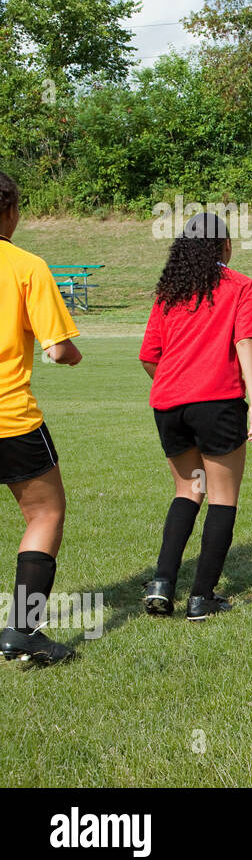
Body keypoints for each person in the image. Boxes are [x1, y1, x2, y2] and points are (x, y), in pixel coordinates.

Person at [140, 213, 252, 622]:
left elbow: (149, 358)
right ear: (226, 247)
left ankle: (162, 583)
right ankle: (202, 597)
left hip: (168, 405)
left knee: (187, 491)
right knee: (222, 497)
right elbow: (245, 340)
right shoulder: (240, 286)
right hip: (217, 403)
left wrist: (177, 386)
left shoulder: (170, 292)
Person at [0, 171, 83, 664]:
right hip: (11, 416)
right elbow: (58, 350)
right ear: (10, 211)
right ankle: (22, 632)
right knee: (45, 512)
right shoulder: (26, 266)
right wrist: (74, 355)